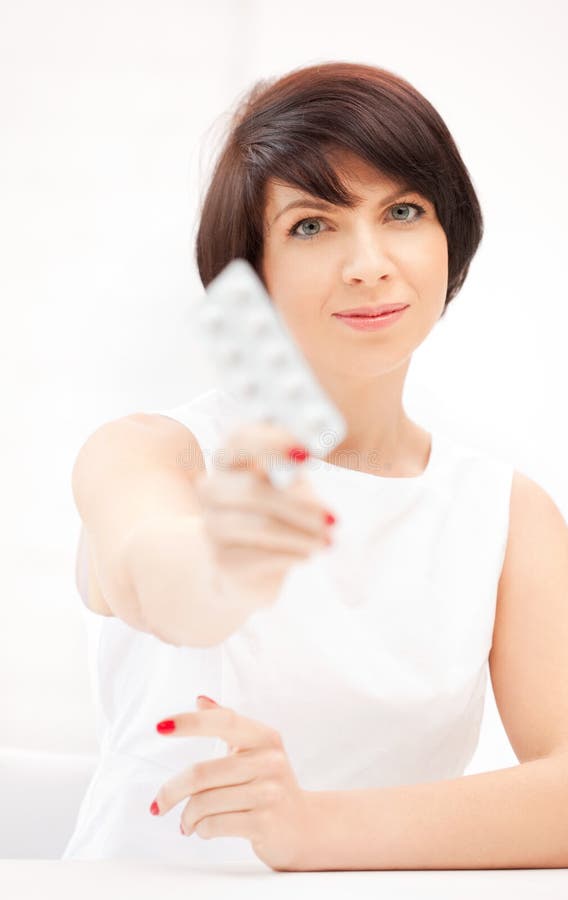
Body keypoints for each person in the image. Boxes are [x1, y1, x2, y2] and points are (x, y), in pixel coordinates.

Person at [62, 61, 514, 866]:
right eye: (312, 224)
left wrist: (315, 830)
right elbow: (159, 574)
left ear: (451, 235)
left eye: (403, 211)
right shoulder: (148, 451)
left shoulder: (505, 513)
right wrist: (221, 562)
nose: (369, 262)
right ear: (252, 272)